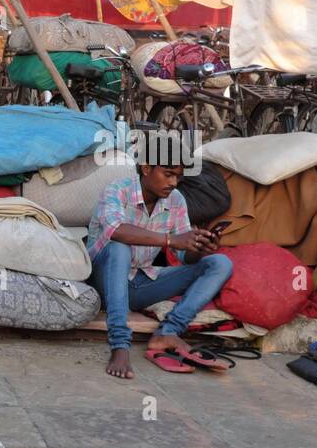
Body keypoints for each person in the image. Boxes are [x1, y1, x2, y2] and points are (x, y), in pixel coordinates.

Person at [88, 154, 234, 379]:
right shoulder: (117, 190)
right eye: (168, 174)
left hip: (141, 282)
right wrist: (170, 240)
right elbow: (115, 231)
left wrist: (200, 247)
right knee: (119, 248)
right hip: (103, 281)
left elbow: (185, 256)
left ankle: (169, 331)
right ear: (146, 169)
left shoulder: (176, 200)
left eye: (178, 176)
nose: (174, 183)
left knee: (219, 263)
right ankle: (120, 344)